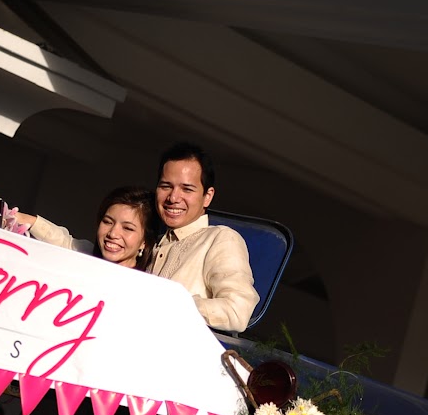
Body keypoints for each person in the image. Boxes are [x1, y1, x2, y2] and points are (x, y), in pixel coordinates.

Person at [147, 142, 258, 332]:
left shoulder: (220, 238)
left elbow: (238, 311)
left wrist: (175, 304)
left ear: (208, 196)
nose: (173, 197)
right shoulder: (151, 241)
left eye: (187, 189)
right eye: (166, 186)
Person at [20, 186, 155, 268]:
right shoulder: (85, 257)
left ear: (145, 241)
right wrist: (23, 219)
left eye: (127, 228)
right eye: (108, 222)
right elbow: (62, 241)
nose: (113, 233)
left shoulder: (145, 286)